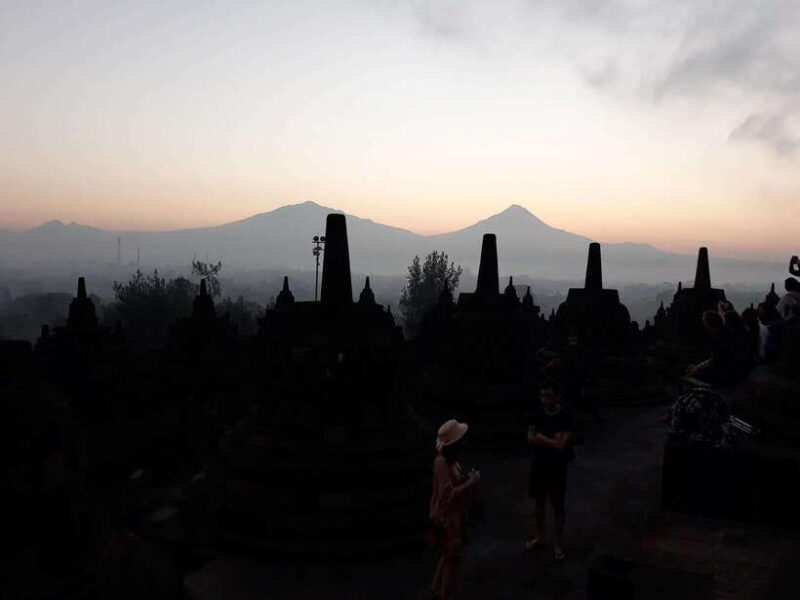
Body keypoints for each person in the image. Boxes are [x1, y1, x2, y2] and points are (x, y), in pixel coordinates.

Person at [429, 419, 481, 600]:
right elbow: (448, 493)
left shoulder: (452, 462)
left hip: (454, 514)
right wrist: (470, 482)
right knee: (452, 558)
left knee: (446, 556)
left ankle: (436, 589)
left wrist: (466, 478)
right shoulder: (441, 463)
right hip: (446, 517)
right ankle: (445, 594)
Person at [525, 379, 574, 561]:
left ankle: (558, 542)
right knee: (539, 501)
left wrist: (541, 438)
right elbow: (530, 439)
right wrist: (549, 440)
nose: (545, 399)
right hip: (539, 464)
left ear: (557, 396)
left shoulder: (565, 416)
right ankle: (540, 535)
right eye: (542, 395)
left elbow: (561, 445)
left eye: (549, 396)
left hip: (557, 466)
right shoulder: (537, 414)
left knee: (558, 504)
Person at [687, 311, 748, 385]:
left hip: (727, 376)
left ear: (708, 325)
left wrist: (697, 369)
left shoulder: (717, 340)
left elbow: (714, 361)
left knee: (693, 374)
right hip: (738, 372)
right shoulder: (728, 333)